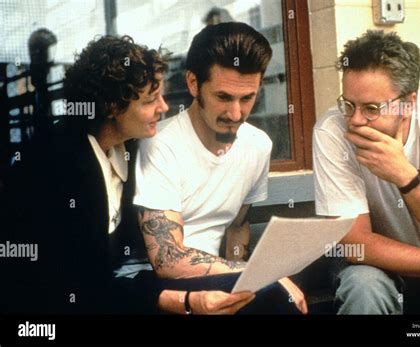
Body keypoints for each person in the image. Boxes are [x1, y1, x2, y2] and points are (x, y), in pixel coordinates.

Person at [2, 35, 186, 313]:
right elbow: (64, 283)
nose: (164, 107)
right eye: (151, 100)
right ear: (112, 106)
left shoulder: (128, 149)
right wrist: (169, 300)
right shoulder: (52, 166)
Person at [134, 22, 307, 314]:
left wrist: (244, 275)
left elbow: (237, 227)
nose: (236, 113)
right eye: (223, 97)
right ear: (193, 84)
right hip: (164, 288)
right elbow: (168, 260)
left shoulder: (258, 145)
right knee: (275, 292)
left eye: (247, 98)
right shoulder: (159, 144)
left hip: (222, 279)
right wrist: (257, 274)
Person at [312, 30, 420, 314]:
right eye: (348, 104)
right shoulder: (332, 131)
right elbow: (354, 245)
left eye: (371, 108)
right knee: (363, 287)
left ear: (408, 104)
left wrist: (406, 177)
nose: (356, 120)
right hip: (374, 266)